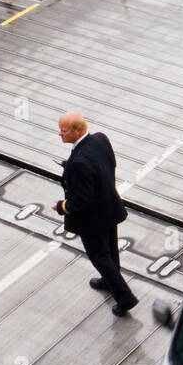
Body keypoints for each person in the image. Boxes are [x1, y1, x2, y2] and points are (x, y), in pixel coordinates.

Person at [54, 112, 137, 316]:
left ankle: (125, 298)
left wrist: (62, 206)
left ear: (78, 130)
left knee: (100, 257)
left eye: (64, 131)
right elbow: (106, 165)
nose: (60, 134)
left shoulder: (79, 163)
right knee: (111, 250)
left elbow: (82, 200)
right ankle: (110, 281)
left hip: (92, 220)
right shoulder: (100, 139)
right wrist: (72, 168)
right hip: (109, 207)